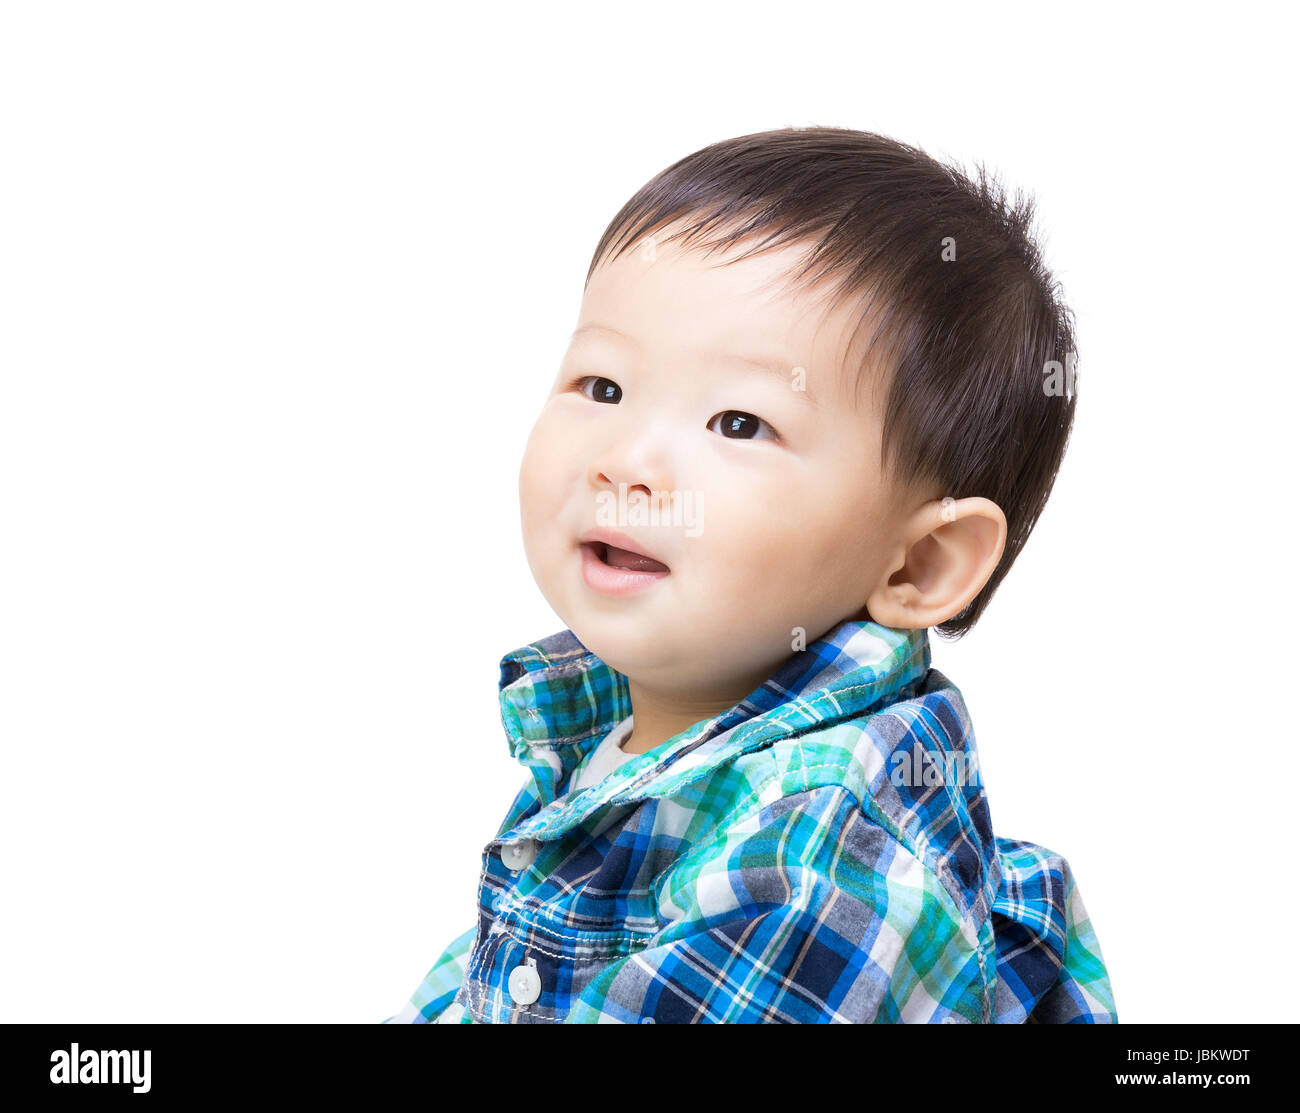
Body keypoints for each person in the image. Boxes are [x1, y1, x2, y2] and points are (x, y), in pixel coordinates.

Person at [383, 126, 1115, 1023]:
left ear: (920, 562)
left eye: (737, 423)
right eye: (603, 386)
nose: (626, 459)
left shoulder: (821, 846)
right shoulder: (627, 738)